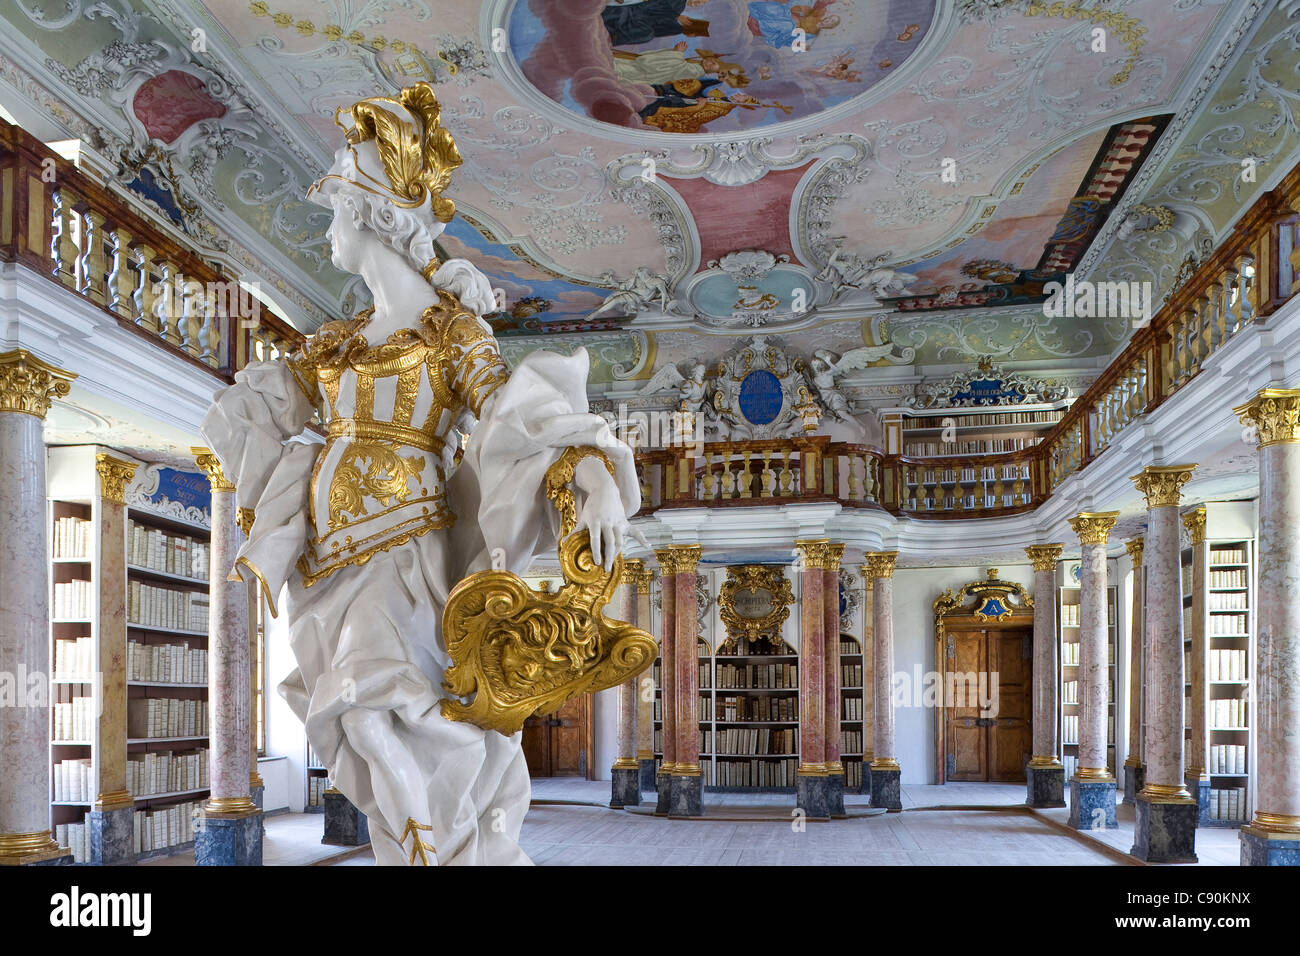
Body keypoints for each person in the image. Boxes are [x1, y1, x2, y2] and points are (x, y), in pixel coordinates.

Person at [200, 84, 642, 866]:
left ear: (370, 217)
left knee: (377, 710)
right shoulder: (333, 342)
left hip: (407, 557)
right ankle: (419, 849)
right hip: (325, 565)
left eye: (336, 208)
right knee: (359, 724)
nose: (328, 227)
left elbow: (519, 416)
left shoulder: (449, 332)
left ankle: (436, 850)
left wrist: (594, 466)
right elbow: (253, 414)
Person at [602, 0, 710, 46]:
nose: (698, 3)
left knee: (647, 35)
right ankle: (609, 36)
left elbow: (659, 27)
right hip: (632, 12)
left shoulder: (680, 7)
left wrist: (682, 30)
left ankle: (610, 39)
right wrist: (675, 16)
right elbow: (653, 5)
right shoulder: (678, 6)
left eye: (701, 3)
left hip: (640, 20)